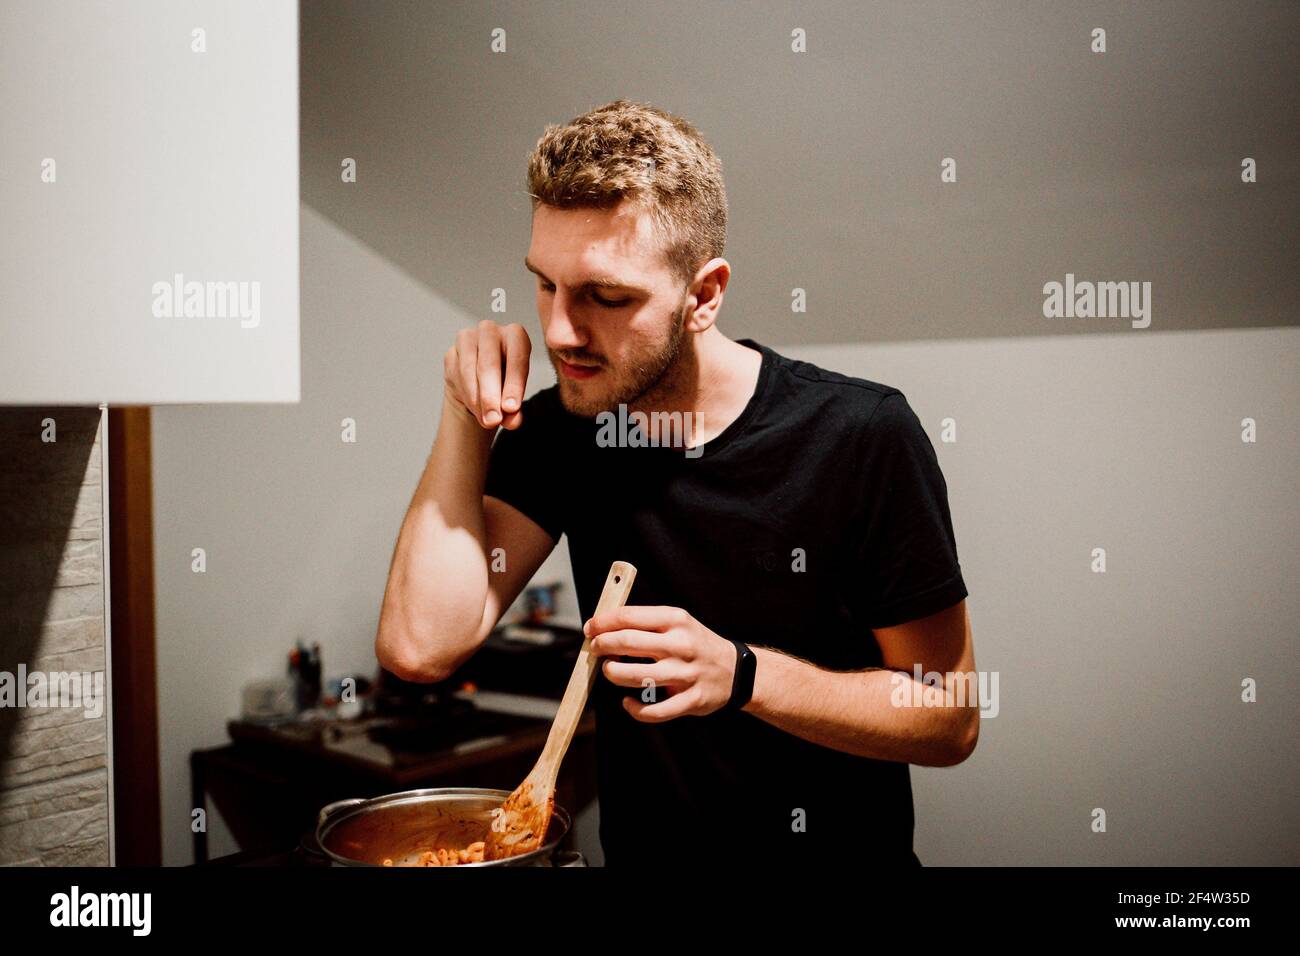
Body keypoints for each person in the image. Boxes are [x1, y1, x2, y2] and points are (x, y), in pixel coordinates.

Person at [376, 99, 978, 867]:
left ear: (704, 294)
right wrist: (467, 412)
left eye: (606, 296)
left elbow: (950, 716)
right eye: (546, 286)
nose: (560, 331)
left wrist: (744, 675)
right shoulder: (568, 425)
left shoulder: (860, 435)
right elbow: (419, 648)